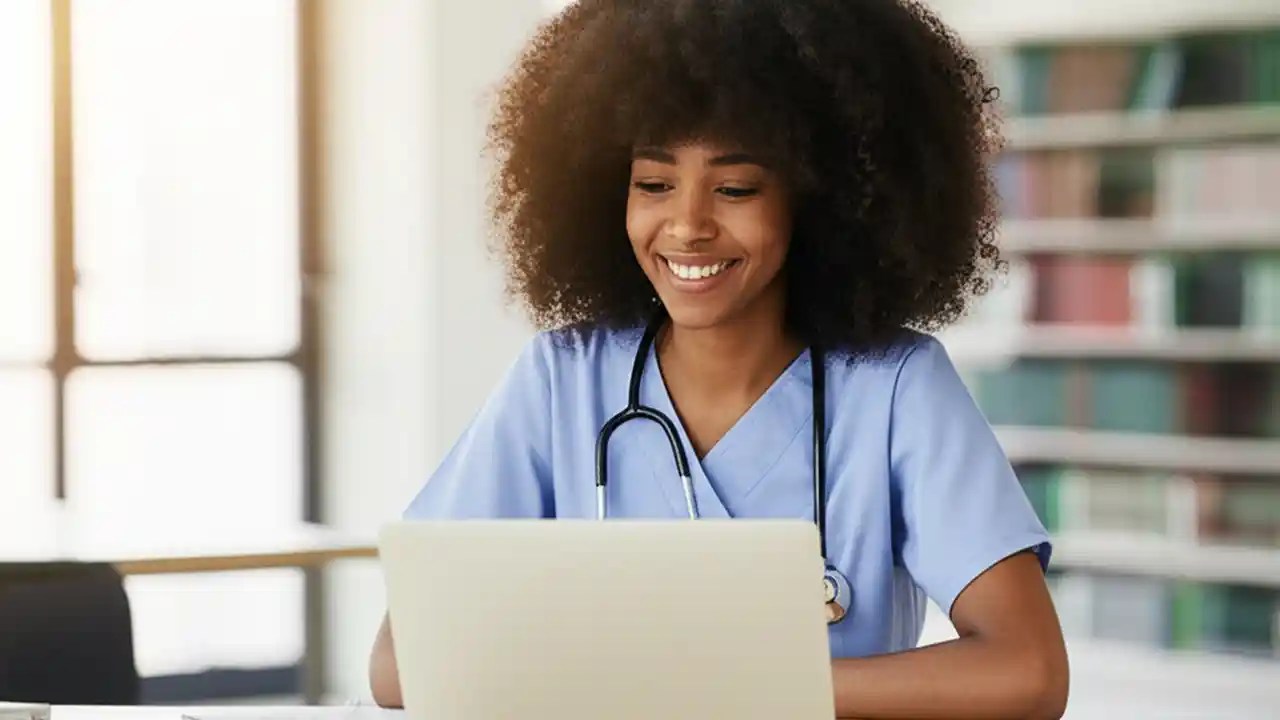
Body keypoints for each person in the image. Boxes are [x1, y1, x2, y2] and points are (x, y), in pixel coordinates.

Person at [370, 0, 1069, 716]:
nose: (687, 226)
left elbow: (1028, 671)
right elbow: (399, 664)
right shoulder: (561, 380)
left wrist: (738, 688)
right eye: (654, 184)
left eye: (735, 189)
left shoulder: (895, 388)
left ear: (819, 198)